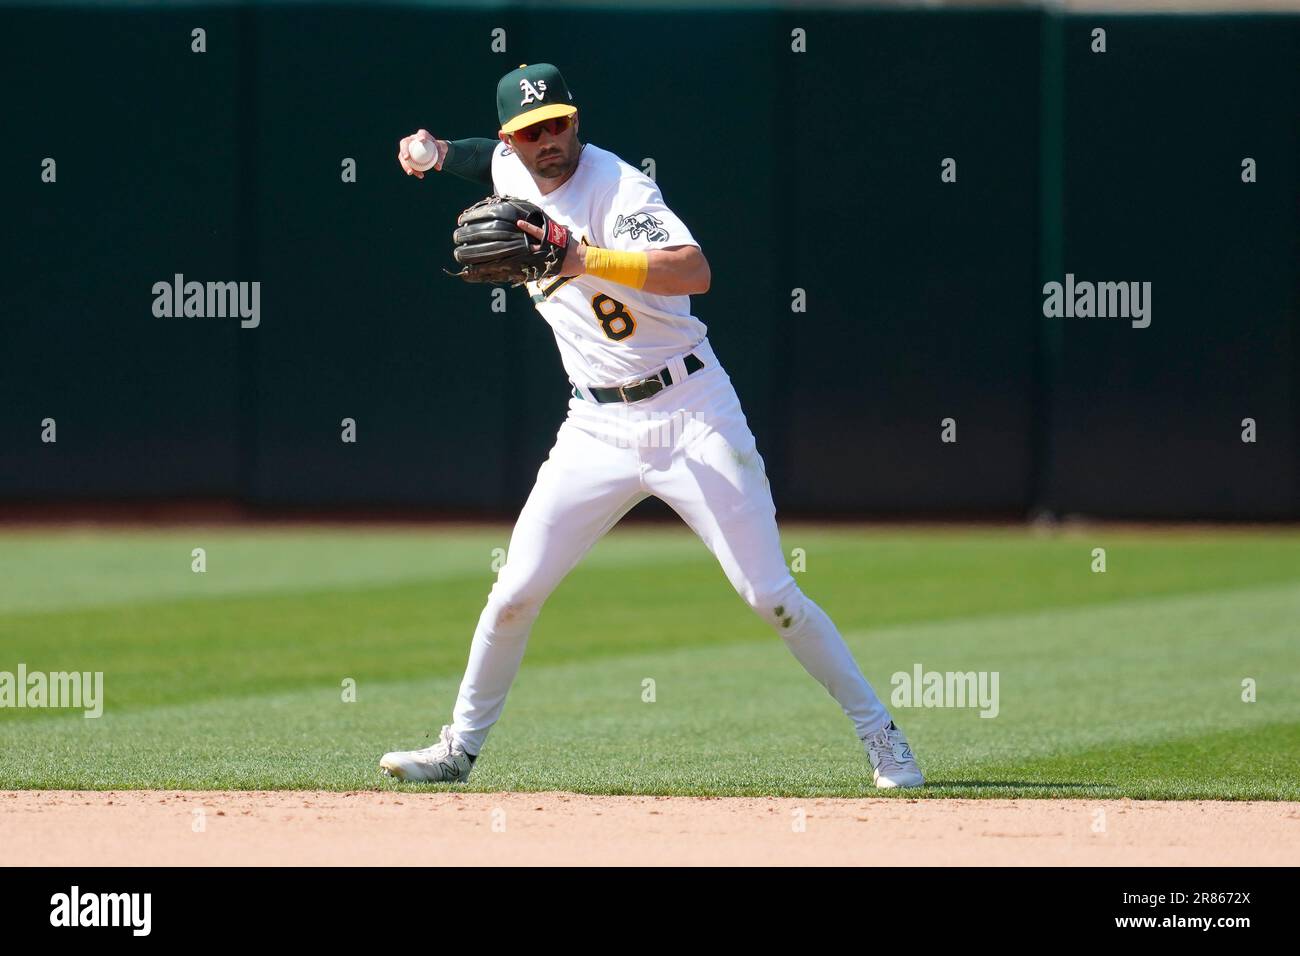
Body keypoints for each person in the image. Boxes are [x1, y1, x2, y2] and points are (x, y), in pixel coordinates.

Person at [381, 63, 924, 789]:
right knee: (513, 593)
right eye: (531, 132)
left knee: (770, 596)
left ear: (576, 121)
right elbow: (487, 159)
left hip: (690, 408)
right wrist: (437, 153)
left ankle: (882, 735)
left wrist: (581, 256)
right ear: (514, 138)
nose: (548, 142)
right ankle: (458, 749)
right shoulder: (510, 164)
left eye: (558, 124)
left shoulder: (618, 186)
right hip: (593, 426)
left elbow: (693, 270)